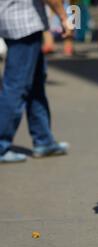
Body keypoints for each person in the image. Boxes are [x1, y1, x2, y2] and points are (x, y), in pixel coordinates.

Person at [0, 0, 71, 164]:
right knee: (16, 86)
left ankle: (44, 140)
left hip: (13, 20)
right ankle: (1, 145)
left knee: (35, 84)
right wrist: (64, 17)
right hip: (24, 24)